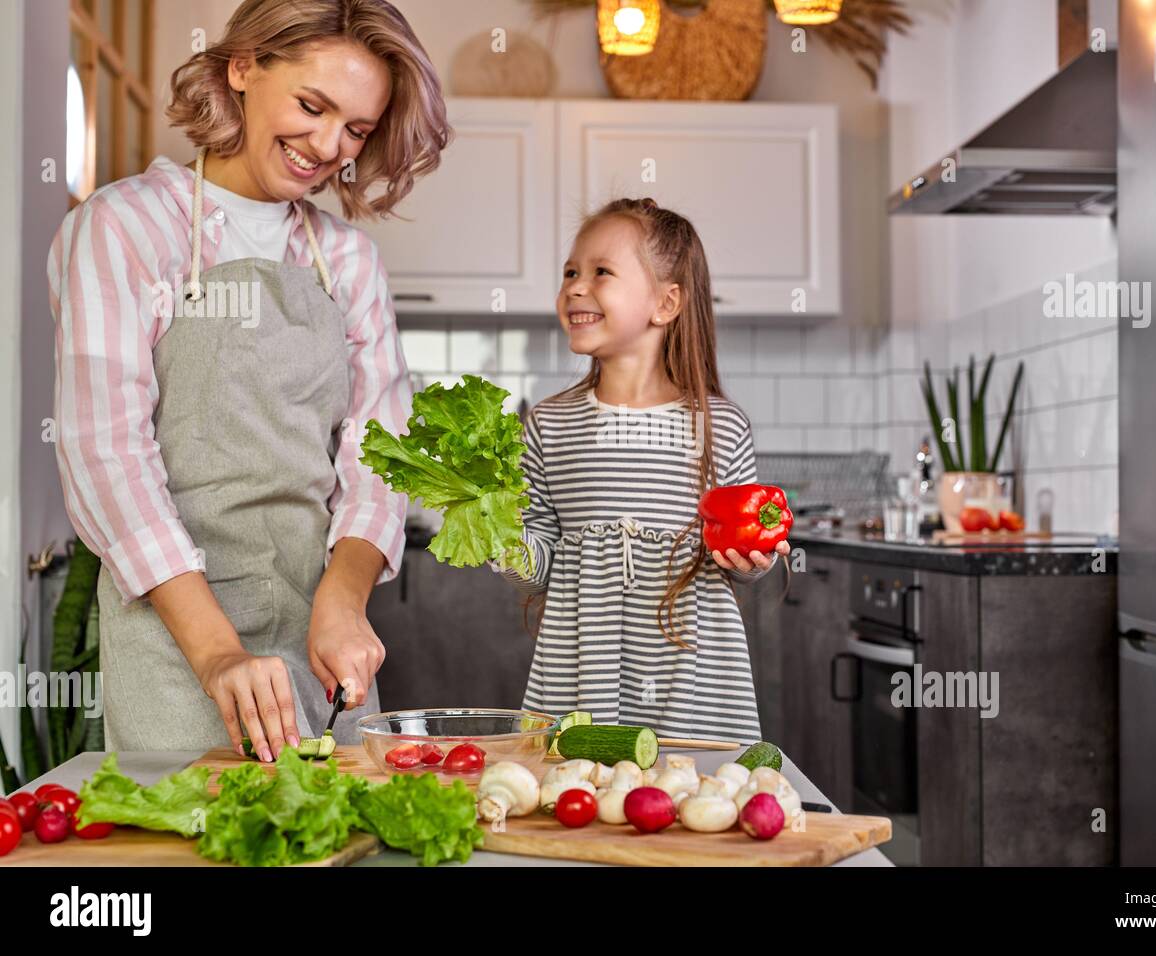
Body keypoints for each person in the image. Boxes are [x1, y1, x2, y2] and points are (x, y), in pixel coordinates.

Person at [48, 0, 449, 760]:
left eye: (356, 129)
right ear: (242, 67)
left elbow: (382, 454)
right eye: (311, 106)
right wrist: (217, 655)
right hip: (177, 644)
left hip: (324, 642)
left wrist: (345, 595)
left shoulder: (350, 263)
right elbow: (106, 457)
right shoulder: (126, 229)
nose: (329, 147)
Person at [494, 197, 790, 742]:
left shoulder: (721, 426)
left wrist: (754, 560)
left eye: (600, 272)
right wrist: (493, 528)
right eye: (570, 272)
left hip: (695, 683)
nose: (576, 287)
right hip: (578, 682)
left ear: (665, 302)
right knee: (575, 807)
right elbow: (537, 566)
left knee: (698, 808)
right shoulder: (549, 425)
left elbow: (743, 563)